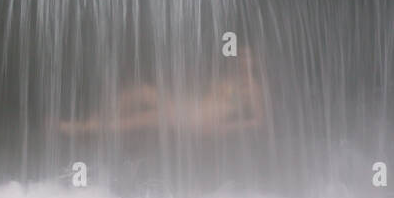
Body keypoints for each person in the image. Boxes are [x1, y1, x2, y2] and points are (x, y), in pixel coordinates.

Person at [56, 56, 266, 138]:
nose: (241, 63)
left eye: (247, 60)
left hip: (197, 122)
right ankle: (96, 119)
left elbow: (259, 122)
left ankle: (83, 129)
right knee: (142, 90)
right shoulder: (228, 80)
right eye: (240, 58)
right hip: (185, 110)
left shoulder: (252, 88)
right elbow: (203, 96)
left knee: (143, 119)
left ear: (253, 64)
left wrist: (222, 130)